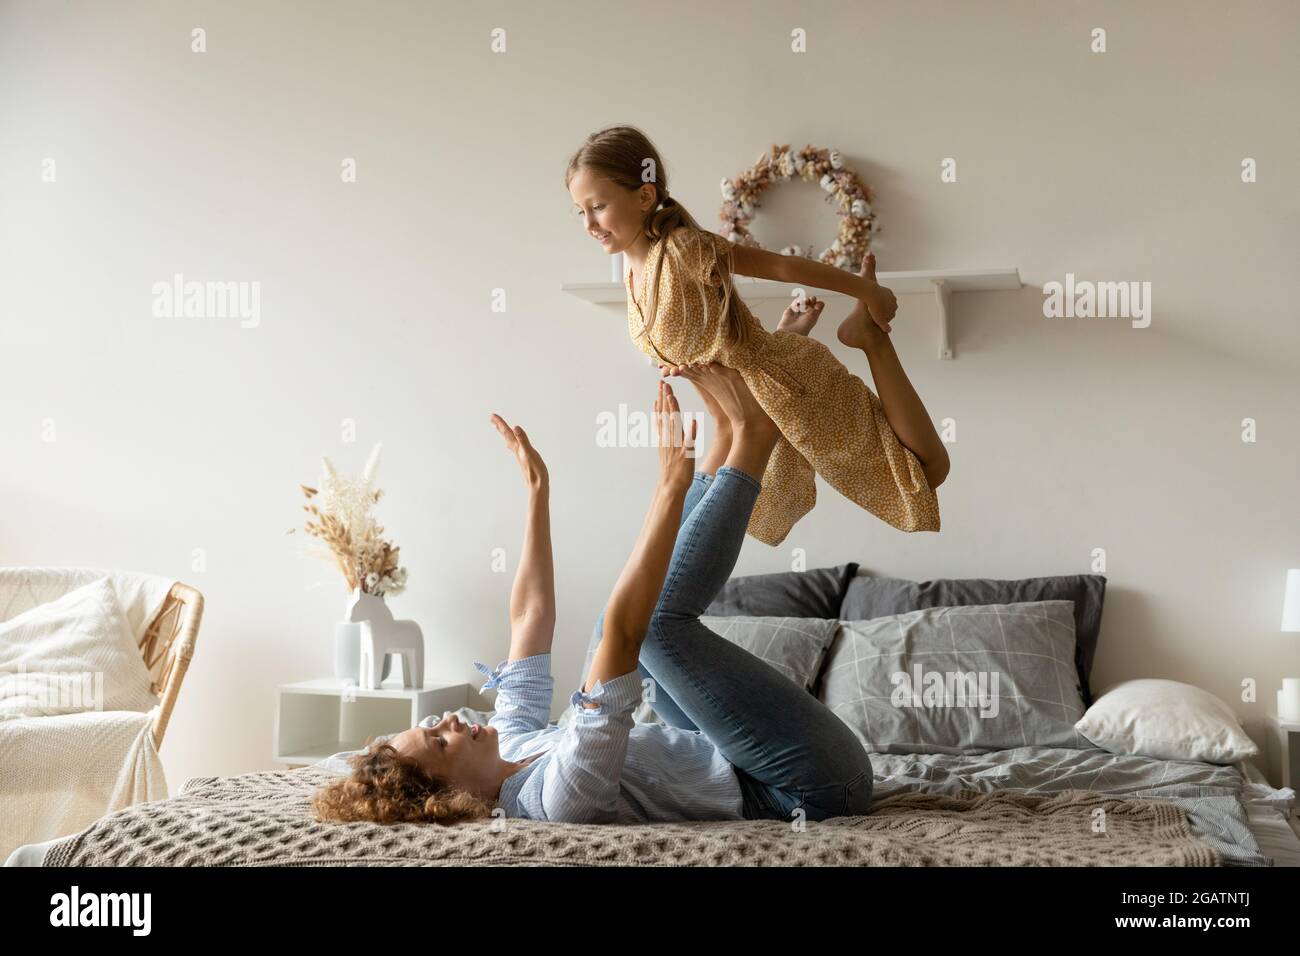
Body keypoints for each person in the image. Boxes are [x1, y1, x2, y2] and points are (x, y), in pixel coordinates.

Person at [310, 366, 874, 826]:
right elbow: (630, 636)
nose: (452, 722)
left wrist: (536, 492)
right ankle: (754, 435)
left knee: (616, 629)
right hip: (802, 787)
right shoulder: (556, 799)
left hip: (727, 752)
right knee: (646, 630)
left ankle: (725, 436)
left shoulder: (507, 742)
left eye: (434, 723)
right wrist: (667, 488)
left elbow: (530, 620)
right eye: (439, 743)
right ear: (453, 797)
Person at [566, 124, 950, 546]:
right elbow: (718, 362)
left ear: (644, 196)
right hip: (747, 409)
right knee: (708, 528)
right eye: (579, 212)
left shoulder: (682, 248)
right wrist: (785, 333)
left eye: (598, 206)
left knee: (928, 471)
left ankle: (870, 336)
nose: (589, 223)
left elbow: (779, 268)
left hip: (787, 386)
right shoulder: (633, 278)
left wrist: (866, 291)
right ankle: (858, 337)